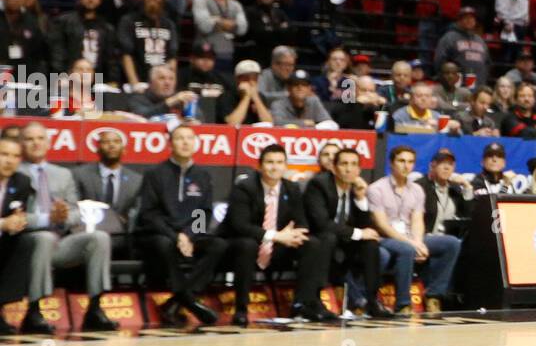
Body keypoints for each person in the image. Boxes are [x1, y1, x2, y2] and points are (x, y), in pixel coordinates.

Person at [17, 122, 118, 332]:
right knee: (44, 238)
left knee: (99, 237)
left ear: (48, 142)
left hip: (60, 240)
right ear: (21, 144)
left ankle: (95, 309)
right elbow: (15, 216)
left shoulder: (63, 174)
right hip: (26, 242)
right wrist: (47, 218)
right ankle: (34, 311)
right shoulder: (14, 171)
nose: (36, 143)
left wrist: (63, 217)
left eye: (40, 138)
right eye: (29, 139)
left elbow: (75, 211)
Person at [222, 144, 337, 325]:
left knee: (312, 243)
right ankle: (241, 309)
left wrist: (294, 235)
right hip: (247, 245)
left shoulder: (292, 188)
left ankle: (302, 303)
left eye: (279, 162)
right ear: (259, 165)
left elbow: (302, 222)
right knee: (247, 245)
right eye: (269, 162)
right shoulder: (245, 187)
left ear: (285, 166)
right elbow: (239, 225)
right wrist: (275, 236)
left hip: (278, 248)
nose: (274, 167)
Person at [136, 125, 228, 327]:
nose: (185, 142)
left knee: (218, 245)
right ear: (170, 144)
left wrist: (188, 235)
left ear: (196, 143)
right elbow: (149, 214)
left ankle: (179, 300)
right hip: (160, 234)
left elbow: (203, 213)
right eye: (179, 138)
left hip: (190, 235)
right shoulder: (154, 173)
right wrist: (176, 235)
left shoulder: (203, 175)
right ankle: (188, 300)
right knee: (163, 243)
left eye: (189, 138)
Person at [366, 146, 460, 315]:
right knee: (406, 249)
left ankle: (433, 295)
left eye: (410, 162)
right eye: (401, 161)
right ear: (391, 163)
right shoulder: (376, 188)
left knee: (452, 243)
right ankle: (403, 304)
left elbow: (417, 220)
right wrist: (412, 244)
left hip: (411, 237)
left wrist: (418, 242)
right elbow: (382, 225)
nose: (406, 166)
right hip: (384, 237)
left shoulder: (417, 190)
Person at [303, 147, 393, 319]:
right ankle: (315, 301)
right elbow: (321, 223)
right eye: (344, 164)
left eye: (353, 165)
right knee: (328, 238)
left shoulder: (355, 188)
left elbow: (365, 226)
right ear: (334, 168)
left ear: (359, 170)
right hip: (318, 240)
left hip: (343, 241)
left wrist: (360, 199)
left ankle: (373, 301)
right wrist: (358, 233)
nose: (348, 169)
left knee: (371, 244)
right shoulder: (319, 185)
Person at [72, 126, 142, 256]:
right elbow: (75, 205)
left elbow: (136, 211)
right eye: (106, 142)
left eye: (116, 142)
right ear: (97, 148)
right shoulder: (80, 175)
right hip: (88, 232)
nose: (111, 145)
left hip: (122, 236)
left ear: (124, 149)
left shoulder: (136, 180)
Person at [0, 137, 38, 335]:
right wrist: (3, 224)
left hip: (4, 239)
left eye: (15, 156)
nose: (9, 160)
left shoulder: (21, 181)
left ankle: (2, 306)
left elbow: (18, 214)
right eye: (4, 154)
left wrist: (17, 222)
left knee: (25, 241)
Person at [218, 59, 275, 126]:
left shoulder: (260, 97)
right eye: (246, 79)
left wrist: (256, 99)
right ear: (237, 79)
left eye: (254, 79)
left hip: (255, 134)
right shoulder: (226, 97)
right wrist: (246, 97)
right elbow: (232, 124)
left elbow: (269, 123)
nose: (251, 82)